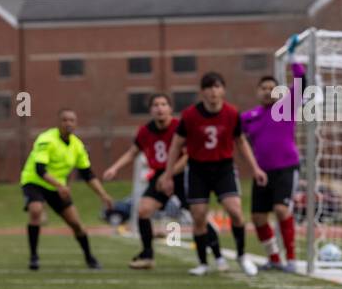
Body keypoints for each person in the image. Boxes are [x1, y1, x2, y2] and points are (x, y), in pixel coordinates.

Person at [158, 71, 267, 277]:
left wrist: (255, 169)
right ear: (202, 92)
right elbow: (176, 145)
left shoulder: (232, 113)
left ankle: (242, 256)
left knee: (235, 211)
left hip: (223, 167)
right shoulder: (190, 115)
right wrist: (168, 174)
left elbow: (241, 142)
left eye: (217, 87)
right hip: (198, 169)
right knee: (198, 216)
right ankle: (203, 263)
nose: (213, 92)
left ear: (223, 90)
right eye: (208, 88)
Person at [101, 93, 222, 269]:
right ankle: (148, 255)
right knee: (143, 210)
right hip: (159, 176)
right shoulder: (145, 130)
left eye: (164, 104)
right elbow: (133, 152)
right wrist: (115, 167)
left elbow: (188, 155)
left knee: (198, 216)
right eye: (156, 105)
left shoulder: (179, 127)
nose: (160, 108)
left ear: (170, 108)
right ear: (150, 110)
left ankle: (218, 256)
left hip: (182, 174)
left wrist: (169, 175)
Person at [19, 109, 113, 271]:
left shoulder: (78, 146)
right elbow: (40, 169)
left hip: (58, 187)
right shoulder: (46, 139)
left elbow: (87, 174)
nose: (68, 123)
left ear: (76, 123)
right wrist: (60, 186)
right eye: (64, 120)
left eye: (72, 120)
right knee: (36, 210)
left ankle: (89, 257)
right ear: (59, 122)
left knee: (76, 224)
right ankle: (34, 257)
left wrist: (103, 195)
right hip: (34, 181)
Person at [241, 58, 305, 272]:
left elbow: (302, 83)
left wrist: (294, 60)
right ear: (257, 92)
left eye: (271, 88)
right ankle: (274, 258)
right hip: (262, 173)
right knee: (258, 217)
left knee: (280, 209)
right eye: (263, 88)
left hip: (286, 168)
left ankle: (292, 259)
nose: (267, 91)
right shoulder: (249, 117)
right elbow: (235, 137)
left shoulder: (287, 107)